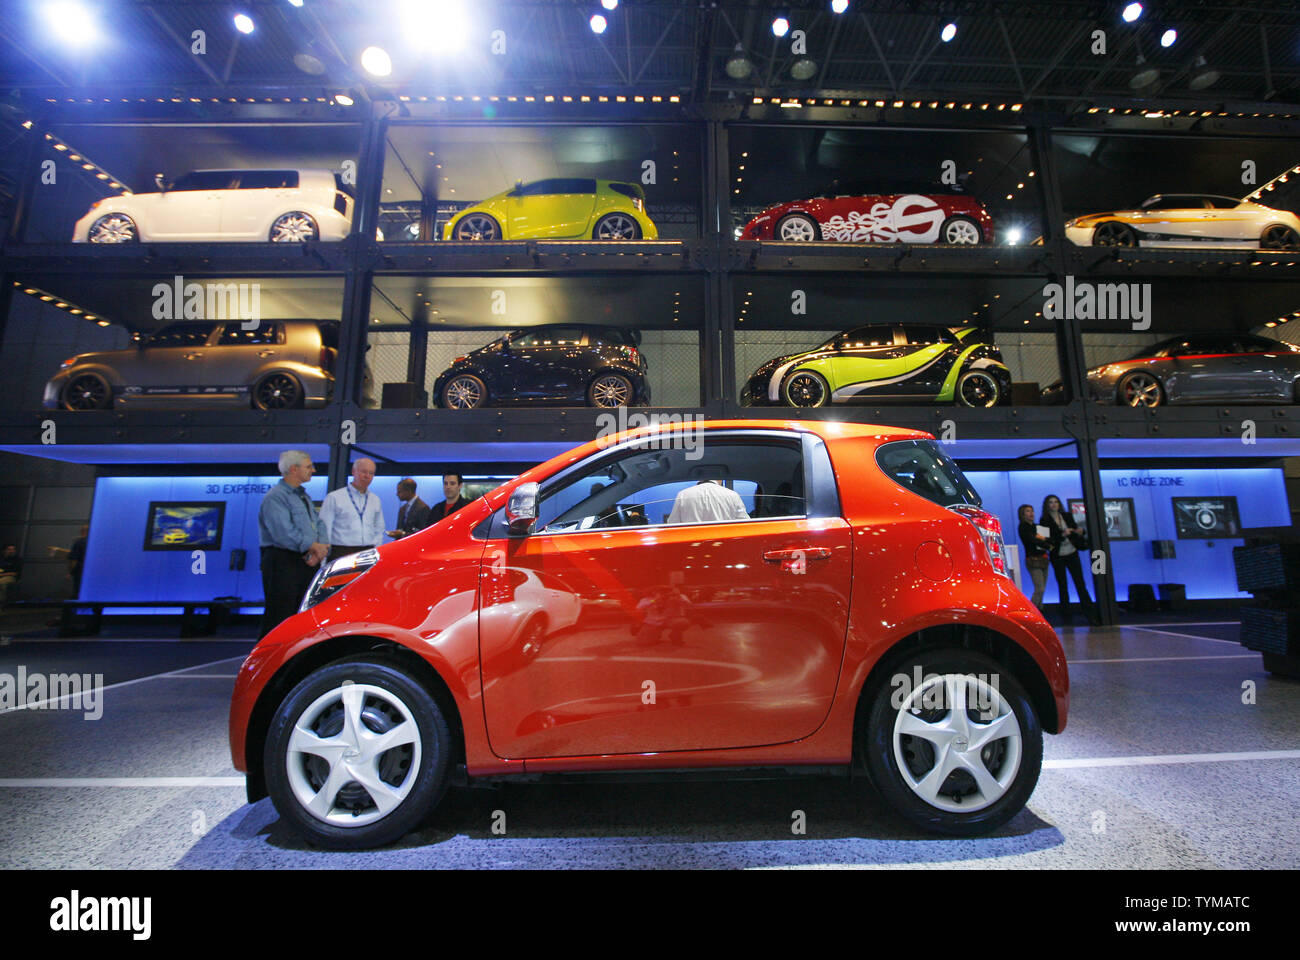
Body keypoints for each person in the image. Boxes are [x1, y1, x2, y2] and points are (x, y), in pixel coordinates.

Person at [258, 450, 329, 639]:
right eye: (308, 466)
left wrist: (320, 548)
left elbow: (318, 523)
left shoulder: (302, 496)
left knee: (301, 614)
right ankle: (270, 662)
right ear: (293, 469)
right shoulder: (276, 497)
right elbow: (283, 534)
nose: (313, 470)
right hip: (282, 562)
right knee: (280, 616)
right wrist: (314, 547)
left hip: (305, 560)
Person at [1041, 494, 1096, 625]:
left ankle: (1090, 614)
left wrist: (1079, 531)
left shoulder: (1067, 516)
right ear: (1047, 505)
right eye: (1051, 502)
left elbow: (1076, 529)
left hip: (1072, 552)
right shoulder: (1043, 521)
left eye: (1056, 502)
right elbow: (1045, 541)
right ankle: (1066, 616)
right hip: (1057, 555)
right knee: (1062, 585)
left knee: (1080, 584)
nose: (1054, 504)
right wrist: (1062, 534)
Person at [318, 457, 386, 560]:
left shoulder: (375, 500)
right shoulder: (334, 497)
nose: (367, 476)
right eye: (364, 472)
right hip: (341, 552)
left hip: (368, 552)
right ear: (353, 471)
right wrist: (323, 558)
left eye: (371, 473)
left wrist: (376, 549)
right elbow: (325, 528)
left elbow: (379, 528)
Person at [667, 480, 750, 524]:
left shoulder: (683, 495)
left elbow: (672, 525)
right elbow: (745, 525)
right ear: (720, 479)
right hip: (723, 547)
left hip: (692, 548)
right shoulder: (732, 495)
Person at [1016, 503, 1051, 611]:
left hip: (1043, 558)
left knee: (1042, 589)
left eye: (1032, 511)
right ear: (1022, 514)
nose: (1031, 513)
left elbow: (1046, 539)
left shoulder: (1037, 527)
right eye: (1027, 511)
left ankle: (1039, 610)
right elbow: (1032, 540)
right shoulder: (1023, 527)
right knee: (1039, 588)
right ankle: (1031, 612)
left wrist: (1044, 540)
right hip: (1033, 559)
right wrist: (1047, 543)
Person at [46, 525, 88, 598]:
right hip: (91, 572)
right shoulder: (93, 543)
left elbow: (73, 560)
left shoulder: (79, 543)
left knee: (78, 591)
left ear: (82, 532)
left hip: (80, 571)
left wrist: (70, 572)